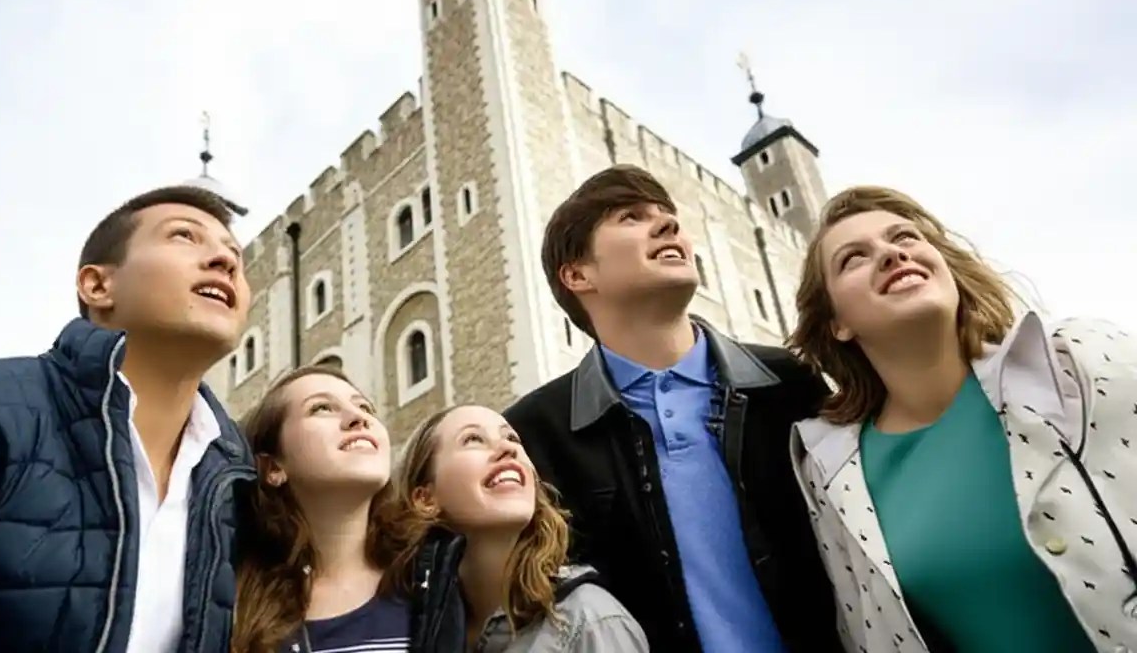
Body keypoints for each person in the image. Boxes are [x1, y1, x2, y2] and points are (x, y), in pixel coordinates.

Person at [0, 185, 255, 652]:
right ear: (97, 285)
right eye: (184, 236)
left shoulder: (242, 495)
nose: (224, 261)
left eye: (235, 255)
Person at [503, 164, 840, 653]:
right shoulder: (534, 434)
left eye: (668, 214)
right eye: (631, 217)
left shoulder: (787, 383)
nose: (668, 225)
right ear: (577, 274)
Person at [788, 185, 1137, 652]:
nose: (893, 255)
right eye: (853, 258)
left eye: (905, 238)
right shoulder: (830, 472)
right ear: (837, 323)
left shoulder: (1080, 360)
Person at [233, 366, 462, 653]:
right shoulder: (233, 610)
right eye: (322, 408)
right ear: (273, 467)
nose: (359, 418)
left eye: (365, 407)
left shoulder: (443, 568)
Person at [393, 403, 649, 652]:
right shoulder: (405, 630)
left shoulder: (591, 622)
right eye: (472, 439)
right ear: (425, 499)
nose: (507, 448)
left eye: (513, 438)